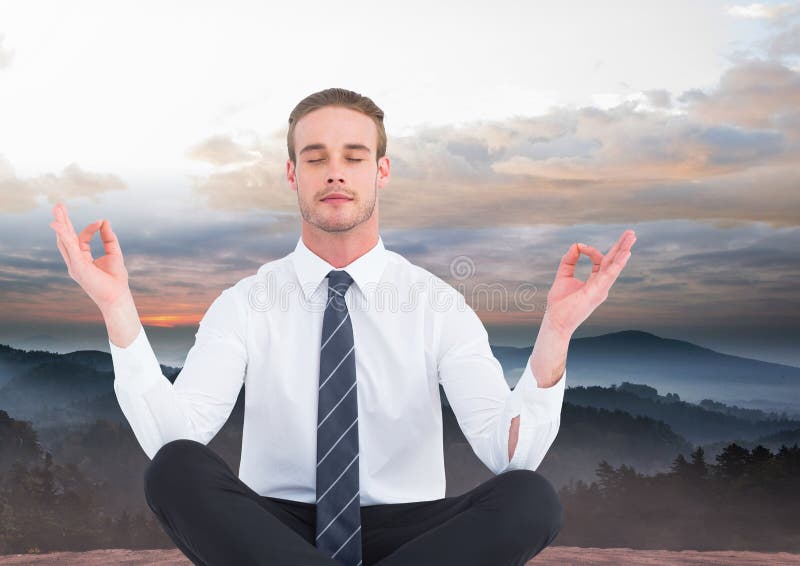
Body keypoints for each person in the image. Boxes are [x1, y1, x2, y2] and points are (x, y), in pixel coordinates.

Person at [49, 87, 636, 566]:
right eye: (316, 157)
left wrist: (556, 331)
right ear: (291, 172)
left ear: (382, 170)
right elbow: (176, 435)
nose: (336, 172)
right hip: (274, 532)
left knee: (529, 497)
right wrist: (117, 309)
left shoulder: (437, 305)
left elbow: (509, 455)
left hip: (412, 535)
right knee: (174, 470)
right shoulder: (246, 302)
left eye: (354, 156)